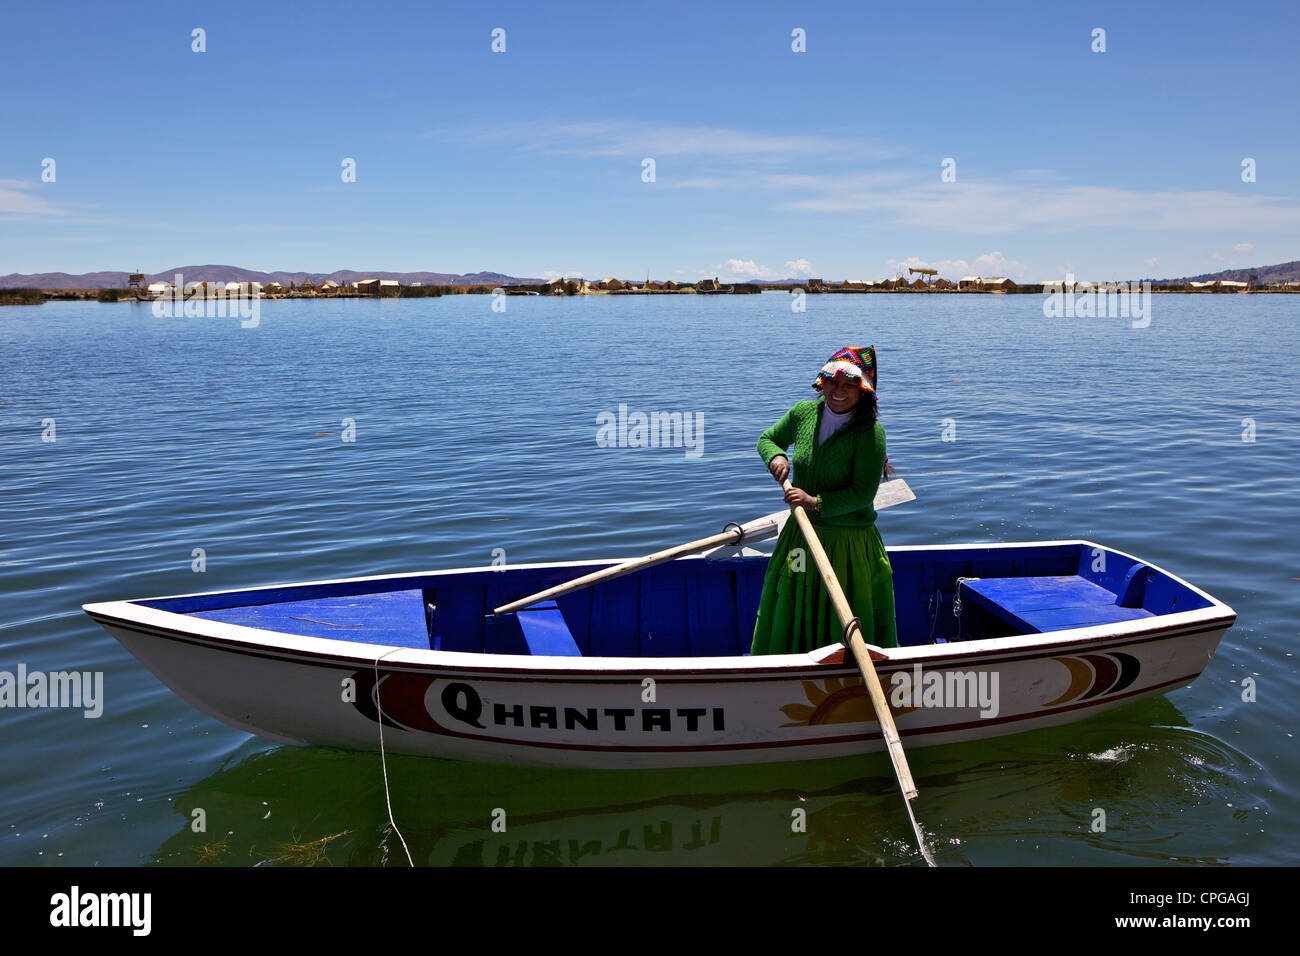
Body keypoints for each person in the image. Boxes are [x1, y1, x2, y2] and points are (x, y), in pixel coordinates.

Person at [750, 346, 899, 654]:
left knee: (843, 613)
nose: (839, 391)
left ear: (864, 392)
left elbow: (862, 494)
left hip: (848, 543)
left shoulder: (870, 433)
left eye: (849, 385)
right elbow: (767, 439)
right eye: (833, 382)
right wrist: (776, 456)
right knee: (794, 598)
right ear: (823, 382)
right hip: (802, 537)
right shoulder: (804, 413)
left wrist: (813, 501)